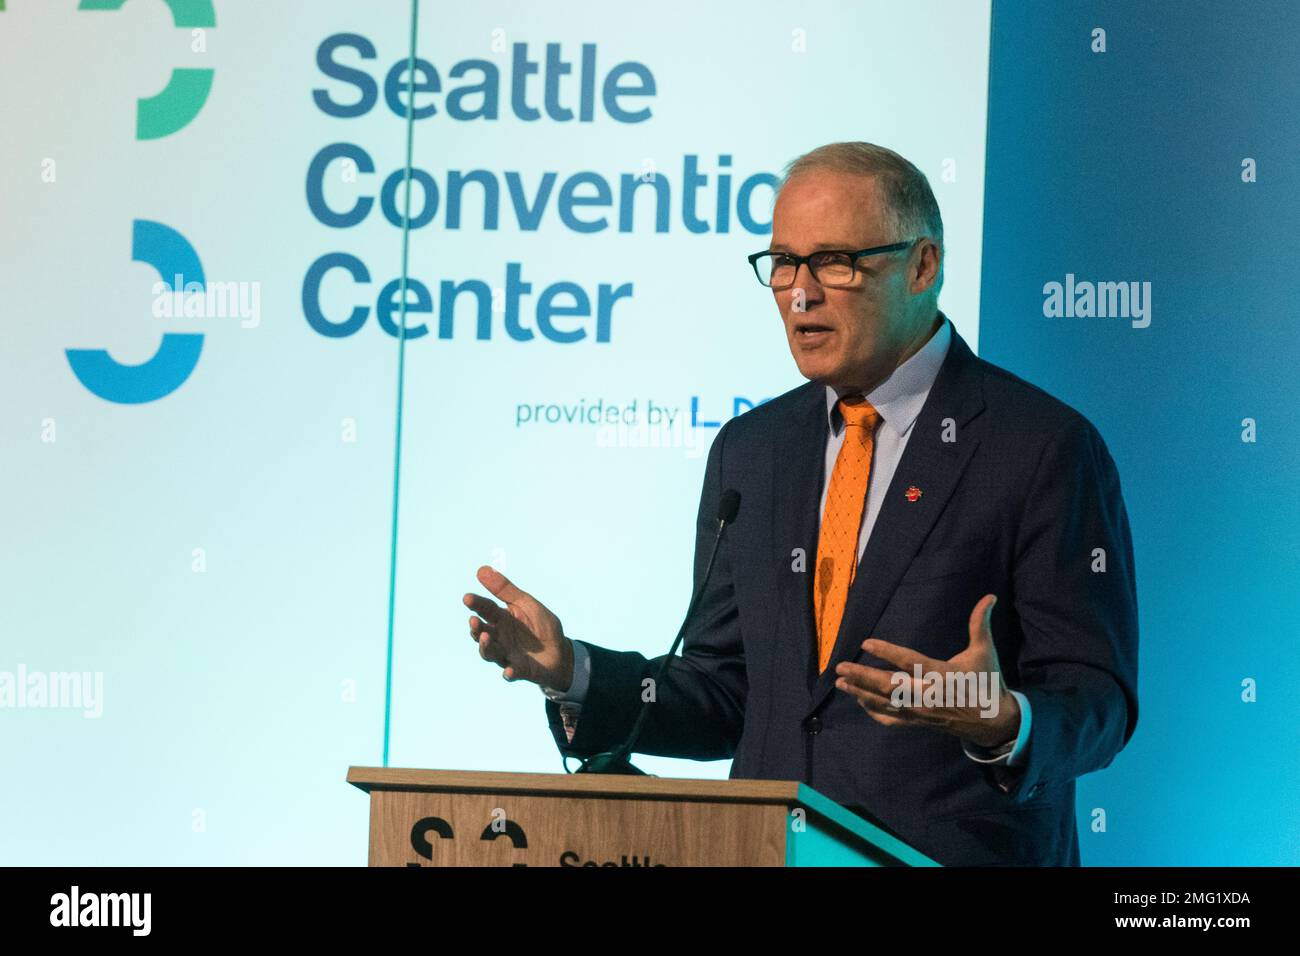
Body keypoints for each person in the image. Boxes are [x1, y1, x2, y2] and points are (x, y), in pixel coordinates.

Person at [462, 142, 1139, 866]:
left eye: (835, 262)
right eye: (783, 262)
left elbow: (1096, 697)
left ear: (923, 266)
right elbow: (726, 694)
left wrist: (1001, 720)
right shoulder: (752, 450)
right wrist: (575, 673)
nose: (800, 293)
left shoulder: (1039, 446)